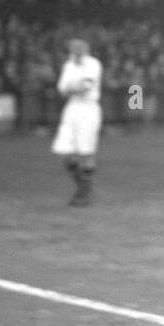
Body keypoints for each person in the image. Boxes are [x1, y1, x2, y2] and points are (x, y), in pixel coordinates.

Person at [52, 38, 102, 206]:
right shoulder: (68, 65)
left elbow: (85, 87)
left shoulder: (93, 64)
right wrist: (73, 88)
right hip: (72, 108)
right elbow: (62, 90)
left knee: (86, 152)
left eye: (80, 47)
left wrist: (71, 88)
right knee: (64, 151)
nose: (77, 50)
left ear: (87, 48)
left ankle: (84, 194)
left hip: (88, 108)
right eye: (74, 48)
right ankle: (83, 186)